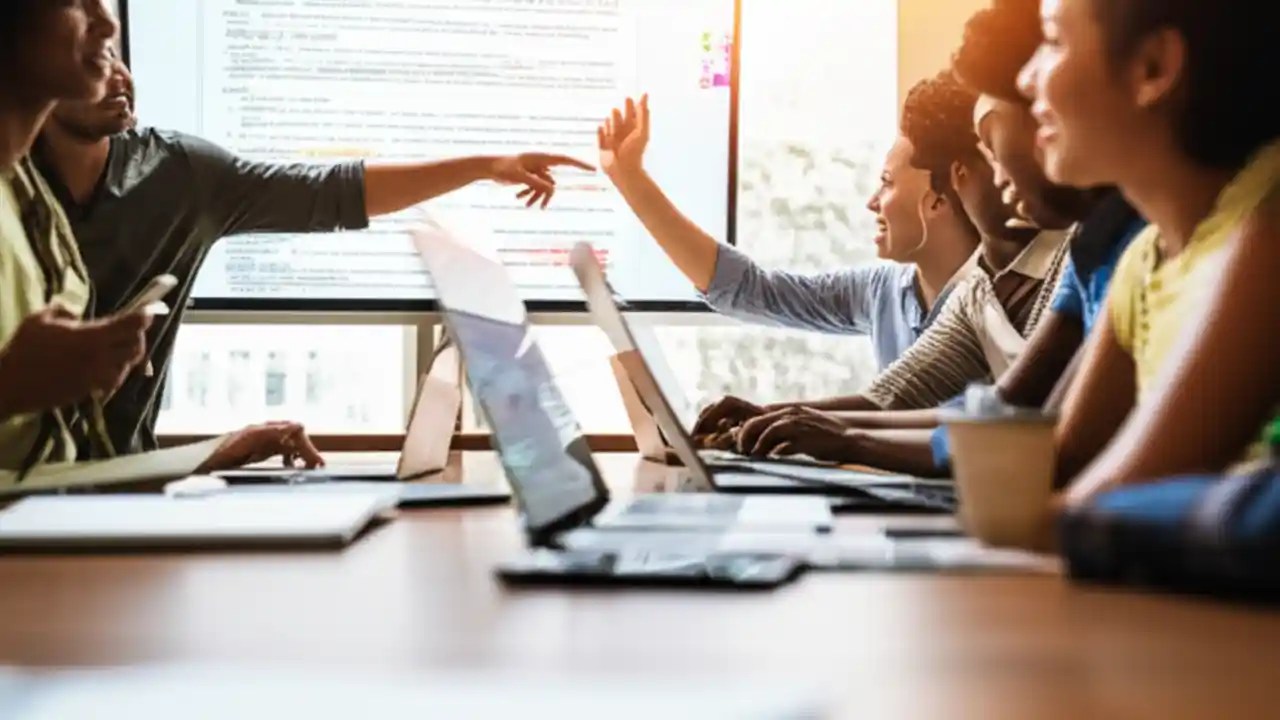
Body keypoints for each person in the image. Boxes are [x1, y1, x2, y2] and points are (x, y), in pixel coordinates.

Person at [34, 56, 595, 455]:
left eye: (113, 50)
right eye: (87, 50)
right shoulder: (18, 191)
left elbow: (329, 192)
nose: (116, 71)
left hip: (119, 493)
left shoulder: (178, 173)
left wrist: (484, 166)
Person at [720, 0, 1150, 473]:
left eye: (1056, 44)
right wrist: (805, 423)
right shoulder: (1083, 253)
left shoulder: (1118, 248)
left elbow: (1050, 440)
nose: (1032, 81)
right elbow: (989, 409)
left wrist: (849, 439)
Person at [0, 0, 318, 480]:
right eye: (73, 2)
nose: (107, 24)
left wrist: (210, 454)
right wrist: (12, 387)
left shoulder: (26, 193)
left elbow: (44, 474)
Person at [691, 70, 1071, 452]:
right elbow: (894, 398)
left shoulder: (1069, 262)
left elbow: (1018, 420)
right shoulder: (977, 289)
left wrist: (848, 439)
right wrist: (771, 416)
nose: (1010, 170)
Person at [1015, 0, 1280, 507]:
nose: (1027, 78)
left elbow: (1119, 494)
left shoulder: (1270, 213)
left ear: (1152, 68)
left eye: (1053, 41)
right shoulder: (1141, 258)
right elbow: (1066, 461)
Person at [595, 81, 980, 376]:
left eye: (887, 182)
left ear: (938, 200)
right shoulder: (882, 293)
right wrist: (629, 177)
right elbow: (752, 291)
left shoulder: (1001, 306)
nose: (873, 201)